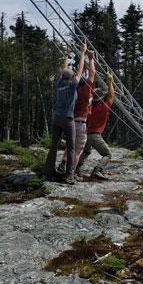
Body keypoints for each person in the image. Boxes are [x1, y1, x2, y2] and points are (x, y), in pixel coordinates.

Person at [43, 43, 87, 184]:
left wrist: (67, 54)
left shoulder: (59, 84)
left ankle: (48, 172)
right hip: (68, 120)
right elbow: (80, 69)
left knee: (54, 146)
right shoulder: (73, 84)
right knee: (71, 147)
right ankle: (69, 176)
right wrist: (82, 53)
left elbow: (64, 69)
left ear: (62, 77)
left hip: (56, 118)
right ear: (71, 77)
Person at [57, 49, 95, 178]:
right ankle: (71, 172)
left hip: (69, 121)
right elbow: (91, 73)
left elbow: (68, 70)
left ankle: (63, 163)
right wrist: (90, 58)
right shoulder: (86, 89)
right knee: (77, 150)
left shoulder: (70, 87)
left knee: (69, 146)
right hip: (80, 122)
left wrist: (68, 54)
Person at [75, 72, 115, 180]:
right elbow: (111, 96)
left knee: (86, 152)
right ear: (101, 98)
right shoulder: (103, 107)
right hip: (95, 135)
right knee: (107, 155)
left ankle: (76, 168)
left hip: (86, 134)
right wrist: (110, 83)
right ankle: (97, 170)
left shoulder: (89, 107)